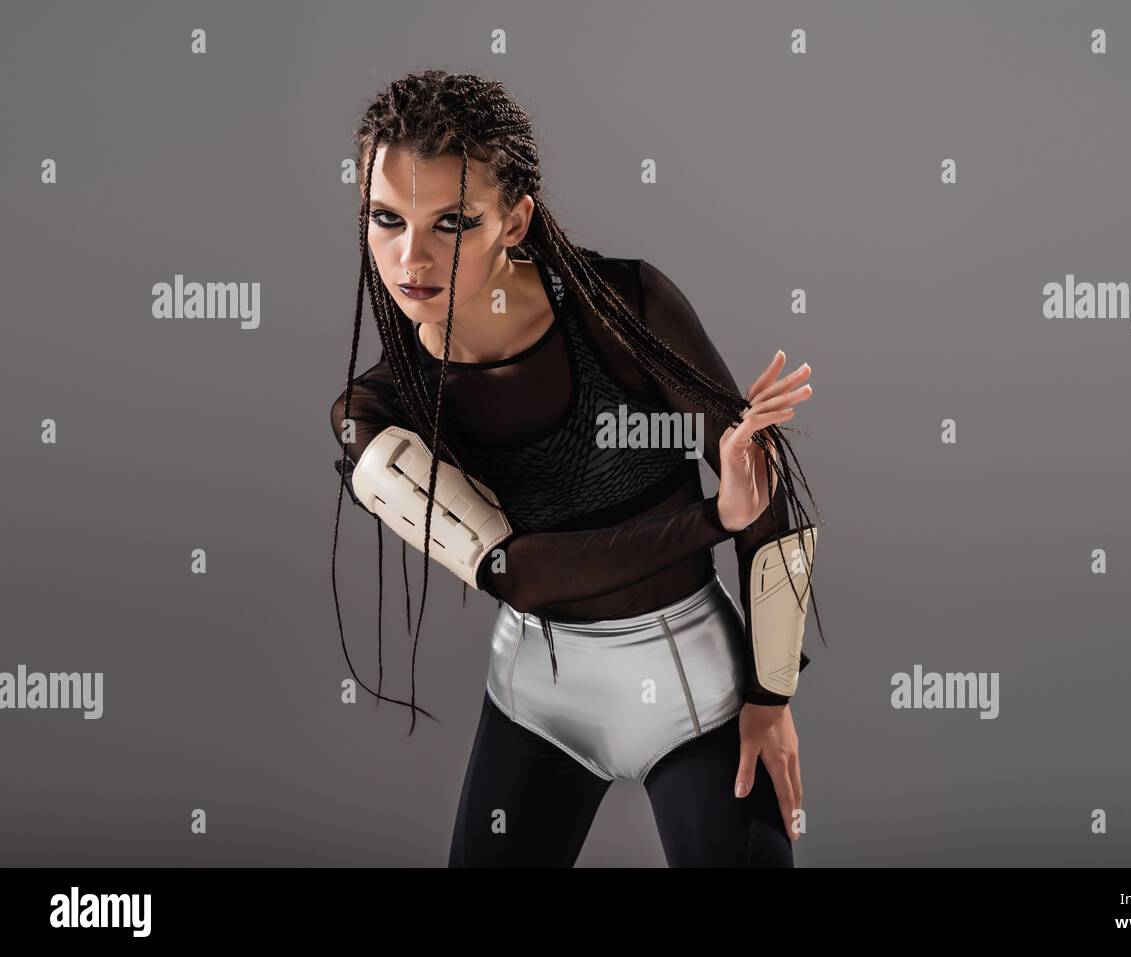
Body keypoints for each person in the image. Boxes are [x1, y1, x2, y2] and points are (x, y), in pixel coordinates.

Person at [328, 70, 825, 867]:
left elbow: (771, 504)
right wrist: (712, 518)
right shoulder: (375, 413)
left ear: (515, 219)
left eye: (453, 221)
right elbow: (517, 574)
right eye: (386, 218)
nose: (410, 257)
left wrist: (771, 698)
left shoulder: (624, 305)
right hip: (538, 701)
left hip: (700, 687)